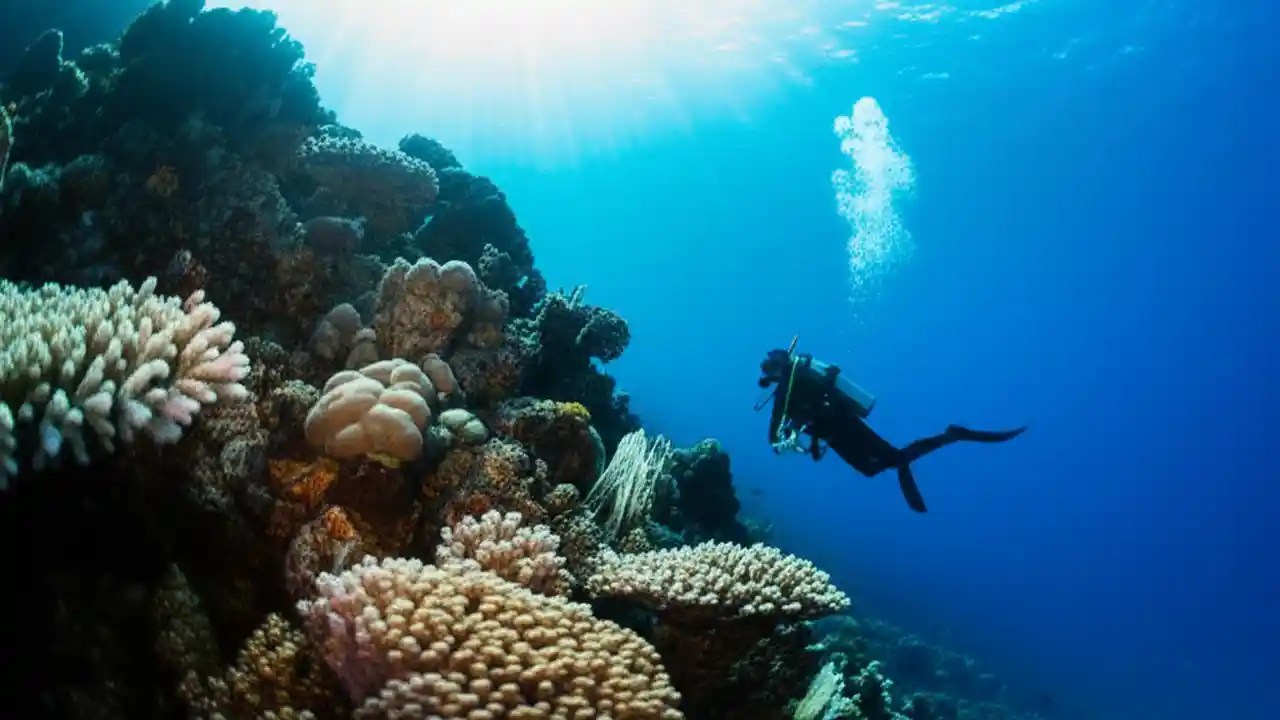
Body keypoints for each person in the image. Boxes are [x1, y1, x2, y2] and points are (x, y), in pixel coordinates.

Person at [757, 343, 1026, 513]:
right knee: (880, 465)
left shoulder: (790, 387)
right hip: (842, 428)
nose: (769, 376)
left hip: (842, 429)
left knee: (884, 463)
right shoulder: (795, 381)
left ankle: (951, 435)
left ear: (776, 370)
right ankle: (947, 438)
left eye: (769, 370)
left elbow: (778, 428)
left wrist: (791, 439)